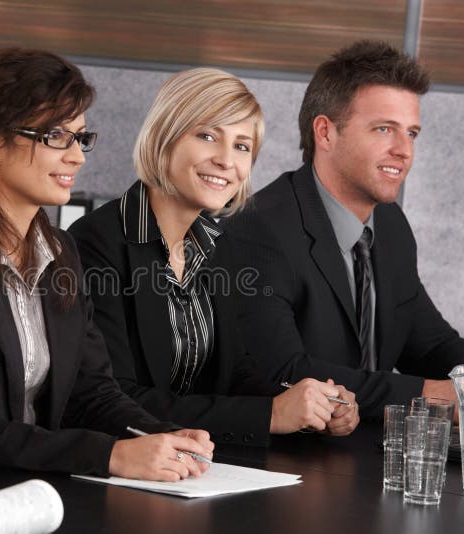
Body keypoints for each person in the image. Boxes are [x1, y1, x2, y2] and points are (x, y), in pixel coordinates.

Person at [0, 48, 213, 482]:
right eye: (56, 136)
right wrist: (111, 456)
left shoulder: (60, 251)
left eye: (80, 137)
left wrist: (163, 435)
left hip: (39, 486)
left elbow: (90, 392)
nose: (77, 157)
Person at [68, 67, 359, 448]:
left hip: (196, 463)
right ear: (164, 137)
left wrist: (310, 405)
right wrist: (270, 415)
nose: (226, 160)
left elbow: (233, 374)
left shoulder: (217, 245)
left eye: (242, 146)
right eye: (207, 136)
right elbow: (113, 399)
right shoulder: (95, 243)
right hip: (123, 466)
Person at [222, 40, 464, 418]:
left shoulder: (391, 226)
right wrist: (432, 397)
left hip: (369, 454)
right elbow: (282, 373)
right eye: (384, 129)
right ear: (325, 133)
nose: (404, 150)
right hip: (290, 463)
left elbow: (429, 344)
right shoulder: (260, 228)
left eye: (411, 133)